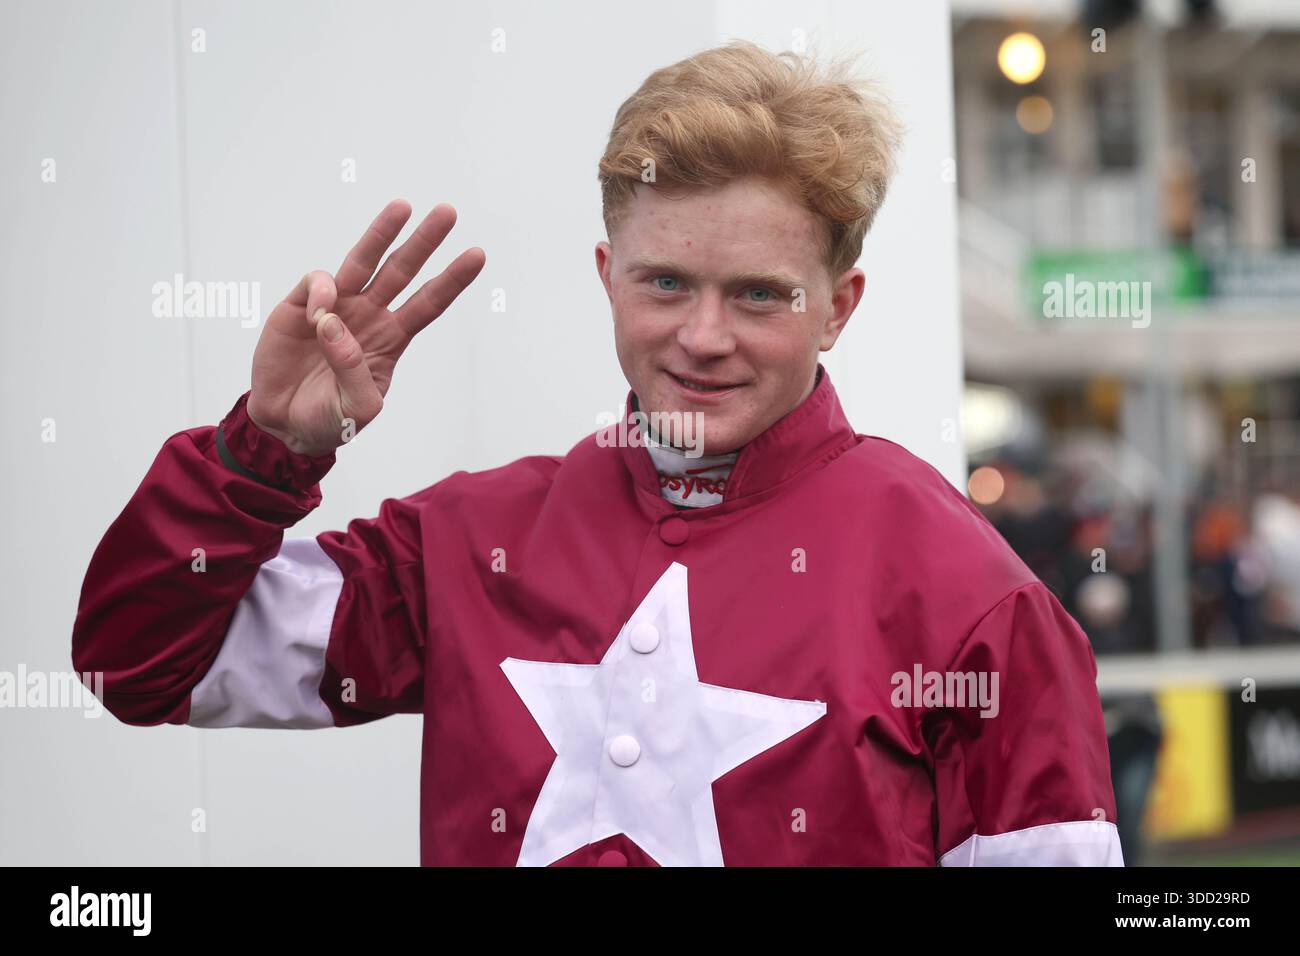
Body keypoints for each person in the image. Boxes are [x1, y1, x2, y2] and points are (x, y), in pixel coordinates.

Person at [72, 40, 1121, 866]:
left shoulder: (971, 593)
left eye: (757, 293)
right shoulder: (471, 538)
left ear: (836, 307)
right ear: (606, 275)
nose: (702, 336)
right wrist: (265, 454)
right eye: (665, 282)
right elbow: (141, 663)